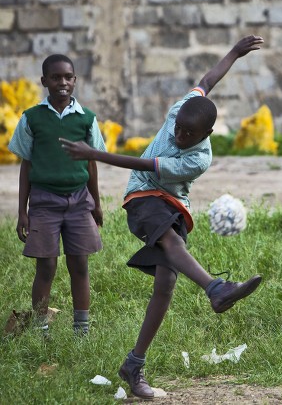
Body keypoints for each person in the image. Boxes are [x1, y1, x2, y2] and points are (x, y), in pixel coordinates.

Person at [60, 35, 264, 398]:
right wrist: (234, 51)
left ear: (207, 135)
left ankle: (133, 364)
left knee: (166, 283)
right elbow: (208, 79)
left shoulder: (198, 159)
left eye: (188, 133)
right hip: (143, 196)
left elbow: (147, 160)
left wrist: (94, 153)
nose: (179, 134)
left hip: (172, 203)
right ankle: (216, 289)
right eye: (178, 128)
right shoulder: (184, 107)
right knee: (170, 242)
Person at [8, 54, 106, 336]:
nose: (62, 82)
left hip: (78, 202)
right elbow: (26, 165)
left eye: (68, 77)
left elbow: (91, 163)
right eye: (55, 77)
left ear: (75, 80)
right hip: (44, 202)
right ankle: (42, 329)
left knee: (79, 263)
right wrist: (22, 211)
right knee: (47, 265)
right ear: (44, 81)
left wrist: (96, 204)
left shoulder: (86, 119)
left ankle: (82, 329)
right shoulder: (32, 118)